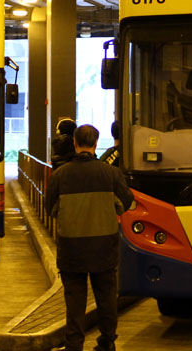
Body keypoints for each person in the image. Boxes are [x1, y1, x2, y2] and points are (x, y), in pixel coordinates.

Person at [46, 124, 133, 351]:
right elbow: (126, 203)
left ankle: (74, 345)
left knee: (74, 299)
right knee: (106, 297)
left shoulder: (60, 175)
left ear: (75, 143)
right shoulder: (111, 173)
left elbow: (51, 208)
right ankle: (106, 342)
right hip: (103, 246)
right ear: (95, 144)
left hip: (71, 247)